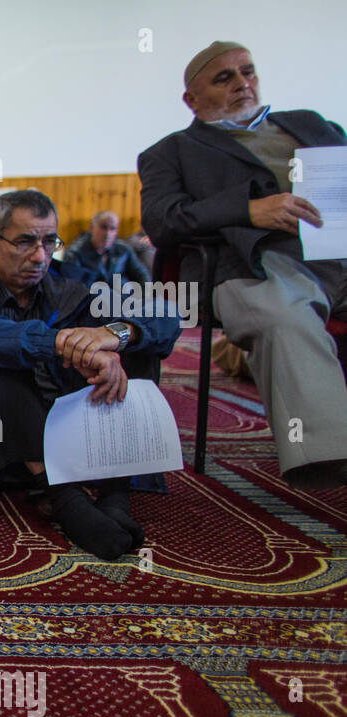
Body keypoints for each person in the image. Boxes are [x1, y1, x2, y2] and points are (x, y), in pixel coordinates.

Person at [0, 190, 180, 560]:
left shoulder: (70, 282)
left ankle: (114, 495)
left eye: (48, 242)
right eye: (25, 242)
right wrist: (61, 342)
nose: (40, 256)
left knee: (135, 342)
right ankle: (65, 499)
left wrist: (113, 336)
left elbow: (165, 312)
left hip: (60, 430)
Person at [138, 40, 347, 487]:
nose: (242, 83)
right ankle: (330, 459)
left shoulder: (313, 125)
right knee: (282, 314)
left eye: (247, 71)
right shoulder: (172, 152)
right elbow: (162, 221)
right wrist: (248, 211)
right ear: (191, 100)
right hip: (256, 261)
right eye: (224, 77)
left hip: (337, 252)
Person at [60, 211, 151, 287]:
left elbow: (141, 274)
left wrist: (144, 297)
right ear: (91, 228)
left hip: (124, 301)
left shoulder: (123, 250)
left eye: (113, 229)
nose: (108, 233)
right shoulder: (75, 253)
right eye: (103, 227)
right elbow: (72, 288)